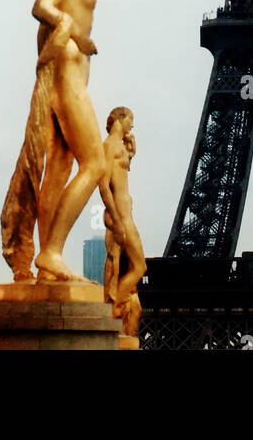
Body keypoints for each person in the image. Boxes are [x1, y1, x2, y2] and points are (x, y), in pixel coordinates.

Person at [1, 0, 124, 281]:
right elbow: (42, 6)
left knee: (56, 169)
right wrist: (76, 33)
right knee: (95, 164)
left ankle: (47, 261)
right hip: (67, 76)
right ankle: (51, 252)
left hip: (67, 74)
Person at [103, 107, 146, 335]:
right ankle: (115, 308)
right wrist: (115, 218)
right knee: (139, 266)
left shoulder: (118, 147)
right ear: (120, 119)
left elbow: (120, 173)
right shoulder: (109, 146)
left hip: (125, 212)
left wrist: (131, 153)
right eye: (131, 120)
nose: (132, 125)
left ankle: (117, 305)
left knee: (133, 266)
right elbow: (104, 185)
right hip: (121, 215)